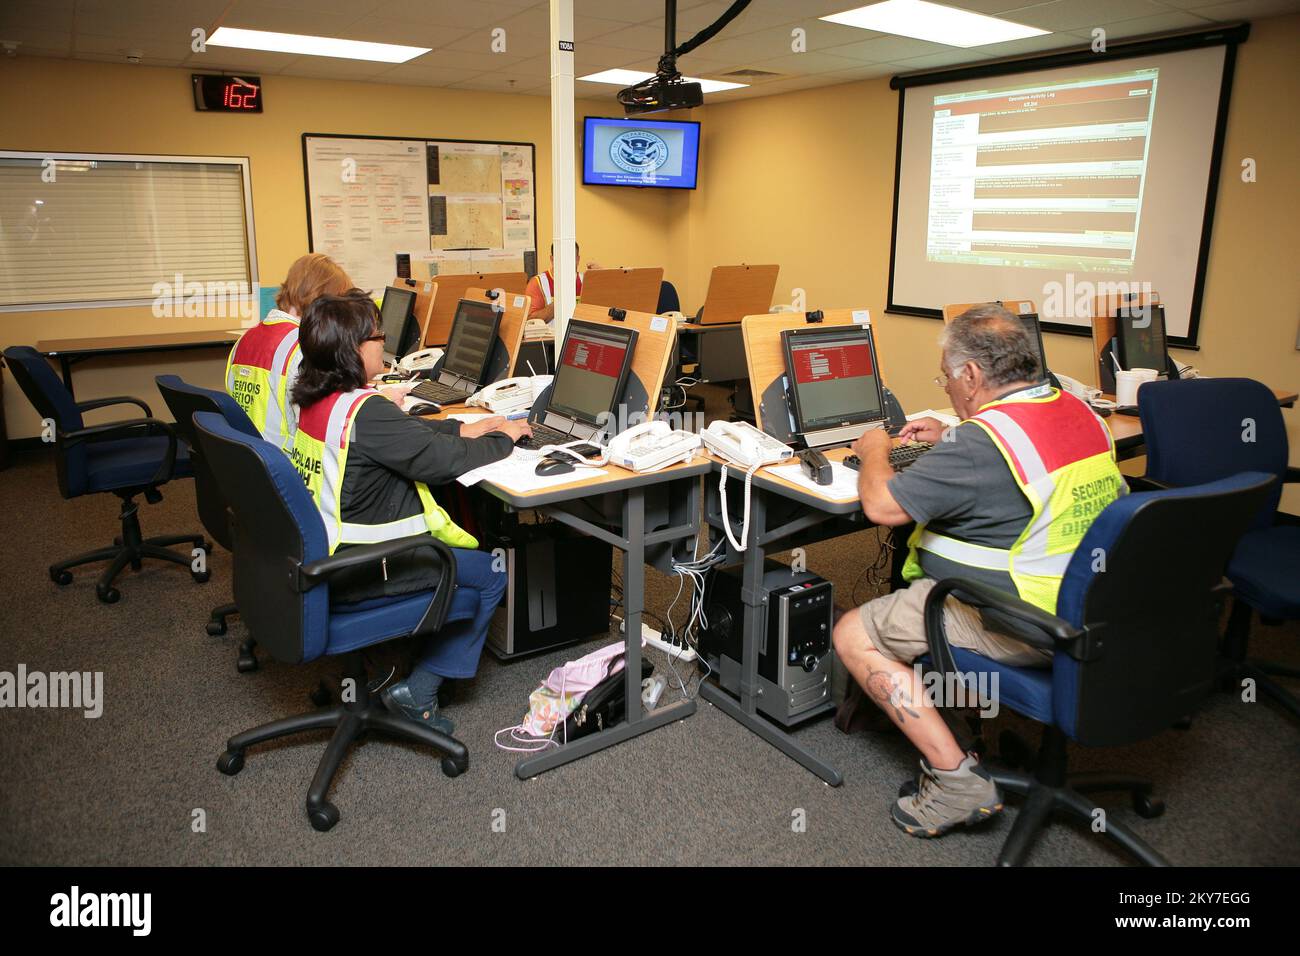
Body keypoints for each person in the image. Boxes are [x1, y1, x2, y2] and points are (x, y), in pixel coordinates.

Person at [832, 304, 1125, 838]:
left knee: (854, 633)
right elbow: (1021, 452)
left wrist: (875, 448)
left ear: (971, 375)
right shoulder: (1082, 414)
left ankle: (955, 782)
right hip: (1103, 604)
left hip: (1027, 620)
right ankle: (953, 712)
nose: (945, 387)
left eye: (946, 376)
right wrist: (952, 433)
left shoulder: (982, 442)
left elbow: (881, 507)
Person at [290, 289, 533, 733]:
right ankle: (418, 693)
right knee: (492, 573)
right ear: (354, 348)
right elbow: (444, 463)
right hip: (364, 565)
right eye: (377, 336)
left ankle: (410, 653)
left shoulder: (319, 401)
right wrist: (505, 437)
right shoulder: (368, 412)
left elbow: (400, 437)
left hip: (323, 556)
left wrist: (461, 426)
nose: (383, 343)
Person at [225, 253, 352, 451]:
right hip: (288, 463)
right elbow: (325, 425)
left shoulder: (244, 340)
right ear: (322, 301)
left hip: (249, 458)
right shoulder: (302, 346)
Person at [523, 241, 602, 324]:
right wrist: (560, 301)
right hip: (551, 336)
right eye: (561, 257)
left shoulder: (586, 281)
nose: (566, 262)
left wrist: (602, 280)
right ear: (552, 259)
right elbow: (529, 321)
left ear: (578, 259)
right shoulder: (538, 283)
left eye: (570, 257)